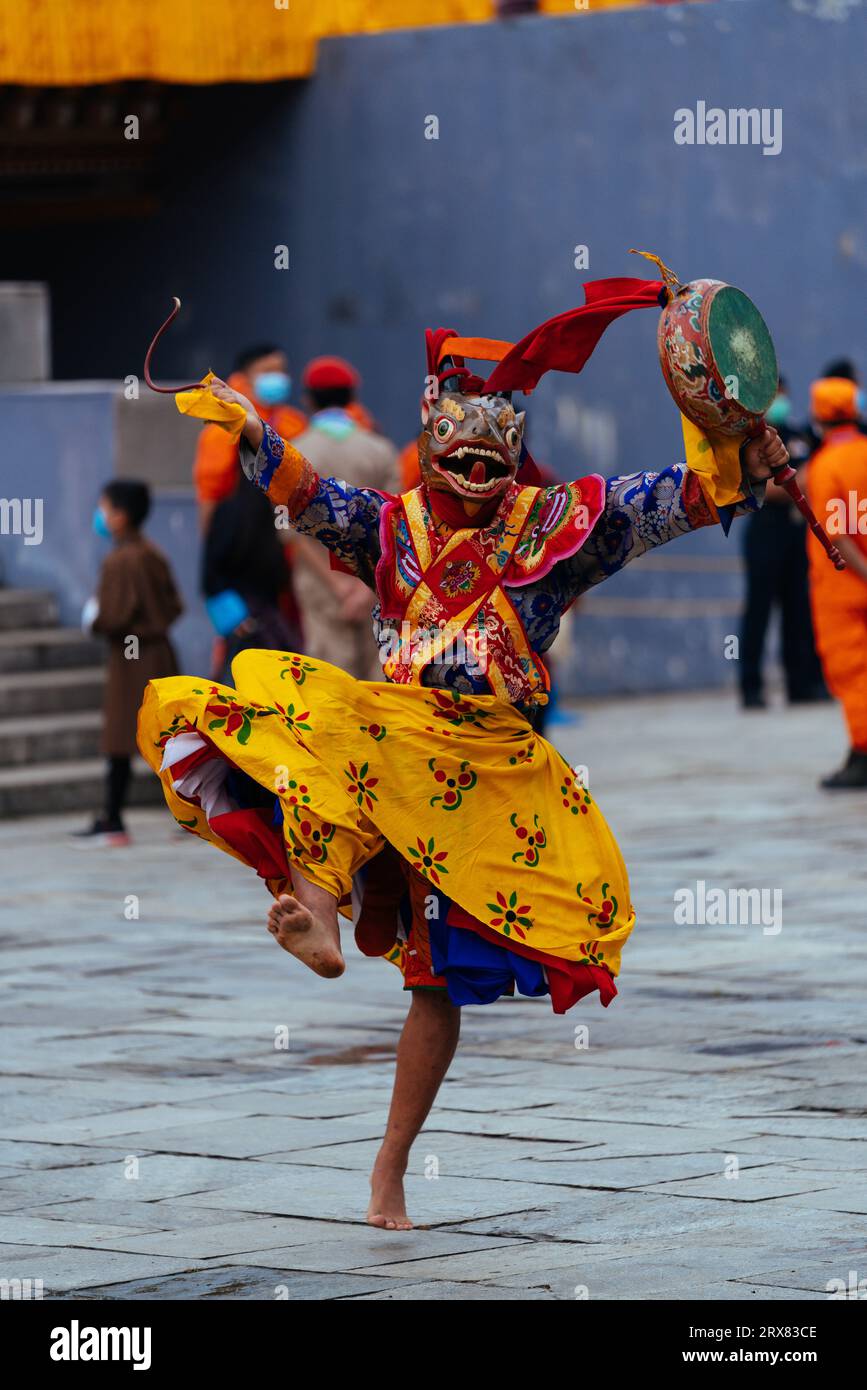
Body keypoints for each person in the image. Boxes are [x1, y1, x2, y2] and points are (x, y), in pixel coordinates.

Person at [138, 287, 785, 1229]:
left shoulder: (560, 524)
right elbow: (310, 497)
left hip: (489, 768)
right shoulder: (392, 526)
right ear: (432, 447)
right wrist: (252, 430)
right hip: (400, 741)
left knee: (436, 986)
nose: (475, 470)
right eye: (459, 455)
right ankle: (315, 912)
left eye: (493, 456)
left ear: (514, 454)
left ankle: (387, 1167)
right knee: (319, 720)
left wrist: (737, 451)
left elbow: (676, 500)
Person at [77, 480, 182, 845]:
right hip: (159, 652)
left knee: (120, 739)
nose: (101, 517)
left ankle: (113, 817)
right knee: (168, 737)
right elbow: (175, 605)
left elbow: (113, 616)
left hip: (130, 655)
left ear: (120, 516)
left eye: (104, 509)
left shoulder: (120, 560)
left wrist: (94, 620)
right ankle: (190, 814)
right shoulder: (153, 553)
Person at [289, 355, 398, 680]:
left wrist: (335, 584)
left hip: (320, 584)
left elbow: (290, 532)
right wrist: (364, 588)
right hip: (375, 586)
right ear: (353, 397)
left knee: (327, 681)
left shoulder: (295, 453)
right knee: (378, 682)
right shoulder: (380, 450)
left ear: (307, 399)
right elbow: (397, 523)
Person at [739, 377, 826, 708]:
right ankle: (751, 688)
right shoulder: (750, 440)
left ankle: (800, 684)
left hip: (795, 534)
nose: (781, 401)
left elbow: (808, 481)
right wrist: (796, 483)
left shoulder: (797, 436)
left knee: (798, 609)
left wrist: (796, 483)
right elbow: (760, 487)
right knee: (758, 611)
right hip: (765, 533)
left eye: (783, 395)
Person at [805, 375, 867, 789]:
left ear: (818, 417)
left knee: (853, 672)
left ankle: (863, 753)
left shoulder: (825, 465)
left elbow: (838, 535)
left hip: (845, 589)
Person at [193, 345, 306, 535]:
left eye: (282, 371)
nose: (279, 378)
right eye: (268, 371)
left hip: (289, 531)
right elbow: (211, 489)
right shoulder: (226, 423)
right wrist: (211, 539)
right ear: (244, 377)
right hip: (243, 533)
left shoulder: (293, 421)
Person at [202, 473, 302, 685]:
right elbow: (281, 571)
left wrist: (232, 617)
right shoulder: (278, 515)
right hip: (268, 617)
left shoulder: (226, 511)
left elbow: (211, 572)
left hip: (240, 616)